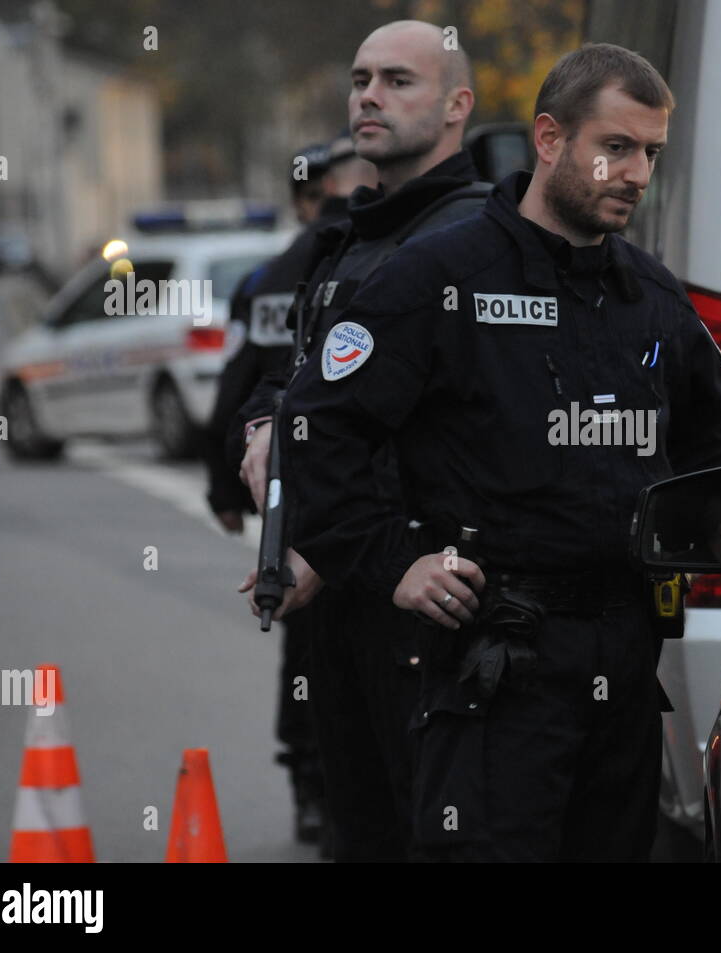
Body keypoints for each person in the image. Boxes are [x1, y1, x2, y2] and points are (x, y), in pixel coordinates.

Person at [275, 43, 721, 861]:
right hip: (493, 677)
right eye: (616, 146)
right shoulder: (439, 277)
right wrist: (396, 564)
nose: (636, 173)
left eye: (650, 153)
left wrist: (700, 546)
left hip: (625, 673)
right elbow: (318, 431)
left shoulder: (653, 297)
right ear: (549, 138)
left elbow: (718, 442)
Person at [234, 20, 491, 862]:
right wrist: (269, 419)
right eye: (359, 79)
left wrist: (386, 552)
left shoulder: (480, 241)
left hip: (438, 617)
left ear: (458, 106)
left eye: (397, 81)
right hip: (345, 608)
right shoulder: (353, 239)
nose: (368, 96)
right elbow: (312, 377)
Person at [202, 137, 376, 851]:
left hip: (285, 487)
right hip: (360, 489)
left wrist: (223, 482)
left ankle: (312, 784)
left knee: (305, 643)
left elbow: (236, 385)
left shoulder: (269, 276)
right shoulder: (367, 252)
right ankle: (346, 797)